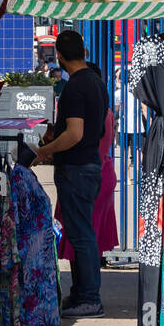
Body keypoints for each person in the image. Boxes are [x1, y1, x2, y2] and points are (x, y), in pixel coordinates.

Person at [33, 30, 108, 317]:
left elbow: (75, 133)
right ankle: (81, 295)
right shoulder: (96, 82)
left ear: (61, 57)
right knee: (80, 232)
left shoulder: (76, 86)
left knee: (82, 235)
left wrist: (45, 149)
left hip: (77, 167)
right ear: (84, 52)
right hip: (88, 165)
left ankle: (89, 297)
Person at [54, 102, 119, 272]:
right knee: (92, 239)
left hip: (84, 177)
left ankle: (84, 293)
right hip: (102, 173)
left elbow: (72, 139)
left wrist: (46, 150)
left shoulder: (83, 112)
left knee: (79, 239)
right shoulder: (106, 110)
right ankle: (85, 290)